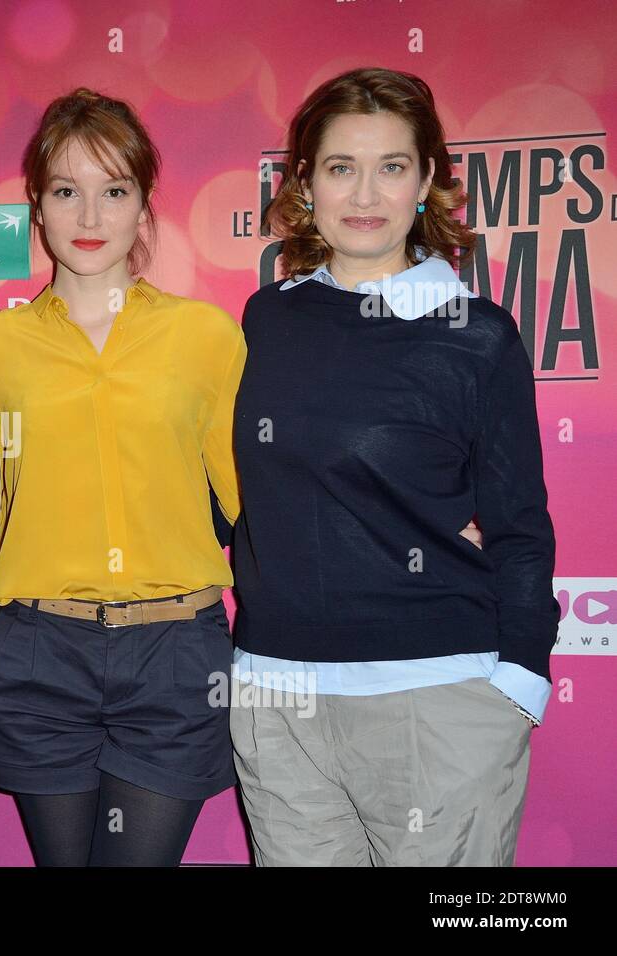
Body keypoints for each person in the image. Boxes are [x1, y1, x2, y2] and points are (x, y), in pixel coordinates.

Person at [230, 67, 558, 866]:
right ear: (304, 184)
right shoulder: (269, 317)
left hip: (440, 697)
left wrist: (519, 682)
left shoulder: (476, 335)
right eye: (341, 167)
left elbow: (519, 525)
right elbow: (248, 488)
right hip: (278, 698)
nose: (365, 192)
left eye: (392, 166)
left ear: (427, 182)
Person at [0, 89, 246, 866]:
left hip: (176, 655)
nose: (90, 215)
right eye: (66, 190)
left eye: (114, 190)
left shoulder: (205, 338)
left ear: (145, 204)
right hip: (36, 653)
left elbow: (256, 506)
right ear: (36, 209)